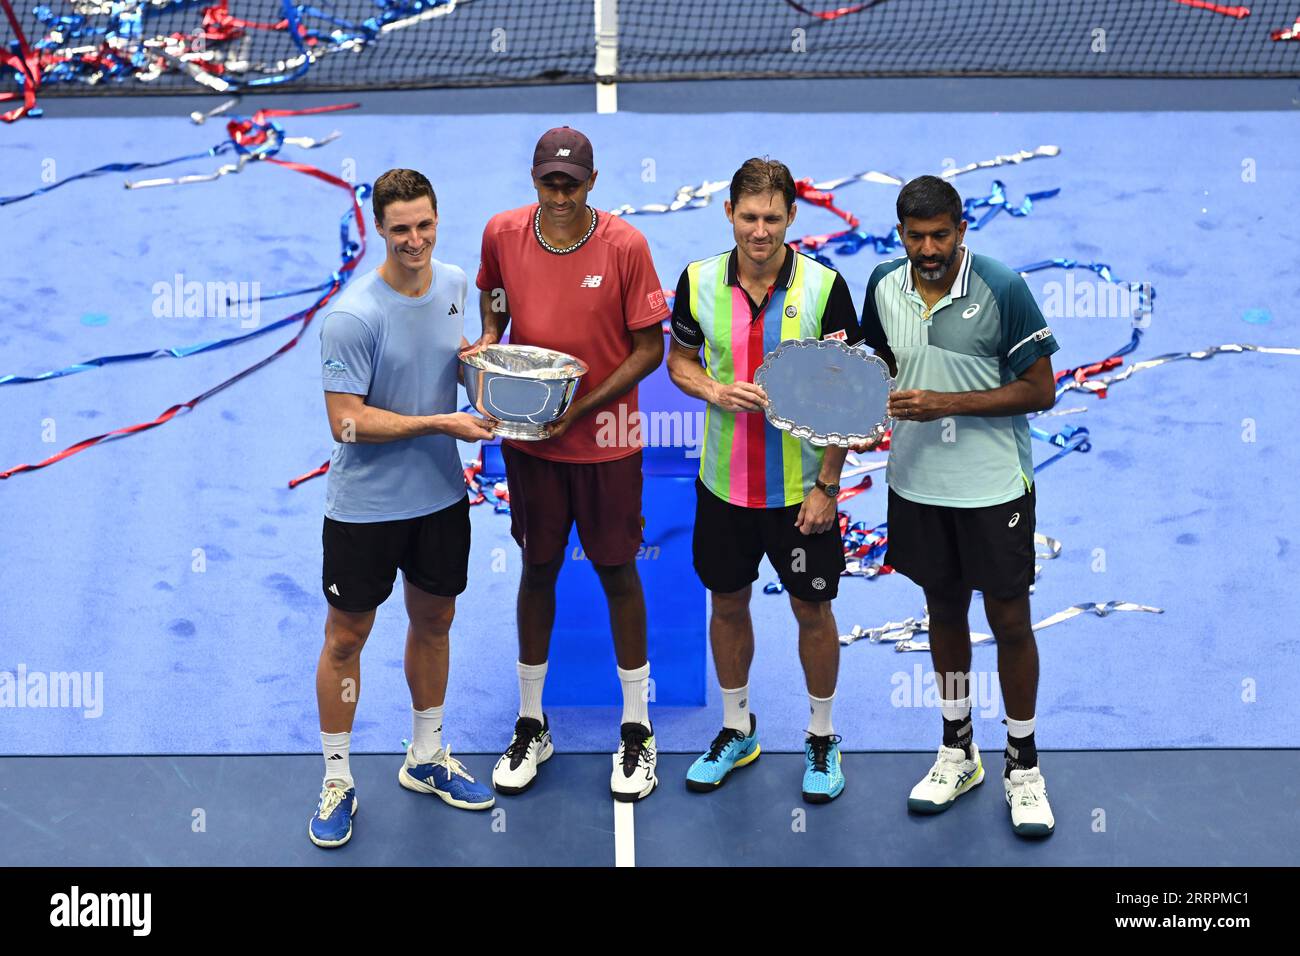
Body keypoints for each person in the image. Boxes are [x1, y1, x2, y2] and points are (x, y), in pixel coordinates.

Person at [858, 174, 1060, 836]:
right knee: (941, 611)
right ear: (901, 235)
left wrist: (947, 403)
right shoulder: (884, 285)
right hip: (916, 486)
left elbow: (1040, 391)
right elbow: (875, 373)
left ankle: (1023, 764)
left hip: (993, 488)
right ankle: (957, 749)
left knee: (1008, 619)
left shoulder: (1002, 287)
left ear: (961, 230)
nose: (928, 248)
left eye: (940, 234)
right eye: (915, 236)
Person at [472, 127, 669, 801]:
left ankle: (638, 732)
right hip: (530, 438)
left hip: (606, 439)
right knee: (538, 567)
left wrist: (581, 404)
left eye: (571, 183)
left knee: (617, 570)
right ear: (534, 178)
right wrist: (492, 347)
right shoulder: (501, 233)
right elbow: (494, 297)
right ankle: (532, 723)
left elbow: (649, 349)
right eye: (549, 182)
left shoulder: (625, 247)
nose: (559, 195)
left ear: (592, 182)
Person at [309, 168, 498, 849]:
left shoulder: (452, 288)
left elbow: (456, 357)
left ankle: (425, 757)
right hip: (365, 510)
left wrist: (493, 379)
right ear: (380, 231)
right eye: (400, 230)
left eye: (424, 226)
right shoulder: (354, 317)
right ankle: (337, 778)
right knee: (346, 639)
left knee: (435, 621)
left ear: (436, 220)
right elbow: (346, 424)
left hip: (440, 501)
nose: (414, 240)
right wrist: (442, 424)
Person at [666, 158, 861, 803]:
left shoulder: (826, 288)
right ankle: (736, 727)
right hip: (723, 487)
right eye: (748, 217)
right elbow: (680, 362)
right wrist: (713, 391)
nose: (759, 230)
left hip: (798, 496)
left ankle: (822, 734)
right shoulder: (695, 282)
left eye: (772, 217)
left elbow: (848, 394)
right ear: (729, 214)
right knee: (727, 603)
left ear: (791, 217)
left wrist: (826, 486)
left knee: (813, 609)